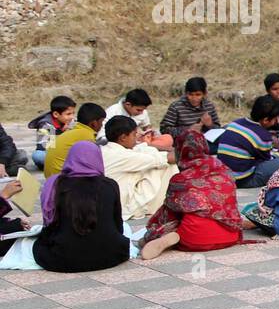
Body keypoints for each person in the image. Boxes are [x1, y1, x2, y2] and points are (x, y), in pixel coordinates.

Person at [140, 127, 251, 259]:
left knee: (166, 223)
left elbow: (168, 214)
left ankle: (173, 236)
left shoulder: (180, 180)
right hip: (231, 234)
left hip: (194, 238)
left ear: (181, 150)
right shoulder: (223, 168)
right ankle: (234, 223)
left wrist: (152, 232)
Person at [33, 141, 130, 272]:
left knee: (38, 243)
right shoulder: (110, 185)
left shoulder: (56, 185)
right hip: (111, 255)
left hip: (62, 259)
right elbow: (118, 225)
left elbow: (50, 226)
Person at [100, 115, 177, 220]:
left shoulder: (106, 149)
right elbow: (170, 158)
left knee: (150, 153)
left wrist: (169, 148)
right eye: (134, 134)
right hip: (124, 206)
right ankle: (166, 205)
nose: (136, 137)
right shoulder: (124, 156)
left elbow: (142, 147)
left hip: (109, 202)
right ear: (123, 138)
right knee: (165, 166)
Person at [214, 95, 279, 188]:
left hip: (225, 176)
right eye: (275, 118)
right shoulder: (262, 136)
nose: (277, 121)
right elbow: (269, 161)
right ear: (265, 120)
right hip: (243, 180)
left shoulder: (236, 122)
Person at [43, 103, 105, 178]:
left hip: (51, 178)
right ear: (94, 123)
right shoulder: (87, 134)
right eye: (101, 122)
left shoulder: (75, 130)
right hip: (61, 180)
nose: (102, 126)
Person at [101, 89, 172, 150]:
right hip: (122, 144)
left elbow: (146, 126)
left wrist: (149, 133)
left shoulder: (142, 112)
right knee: (151, 147)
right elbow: (103, 138)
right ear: (128, 104)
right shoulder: (112, 112)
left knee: (167, 138)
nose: (141, 112)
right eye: (138, 110)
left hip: (139, 140)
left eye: (143, 110)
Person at [27, 95, 75, 171]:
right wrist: (62, 133)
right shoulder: (45, 125)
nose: (72, 117)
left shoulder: (70, 121)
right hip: (50, 153)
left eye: (73, 113)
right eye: (68, 114)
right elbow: (43, 147)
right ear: (56, 114)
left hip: (64, 154)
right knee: (38, 155)